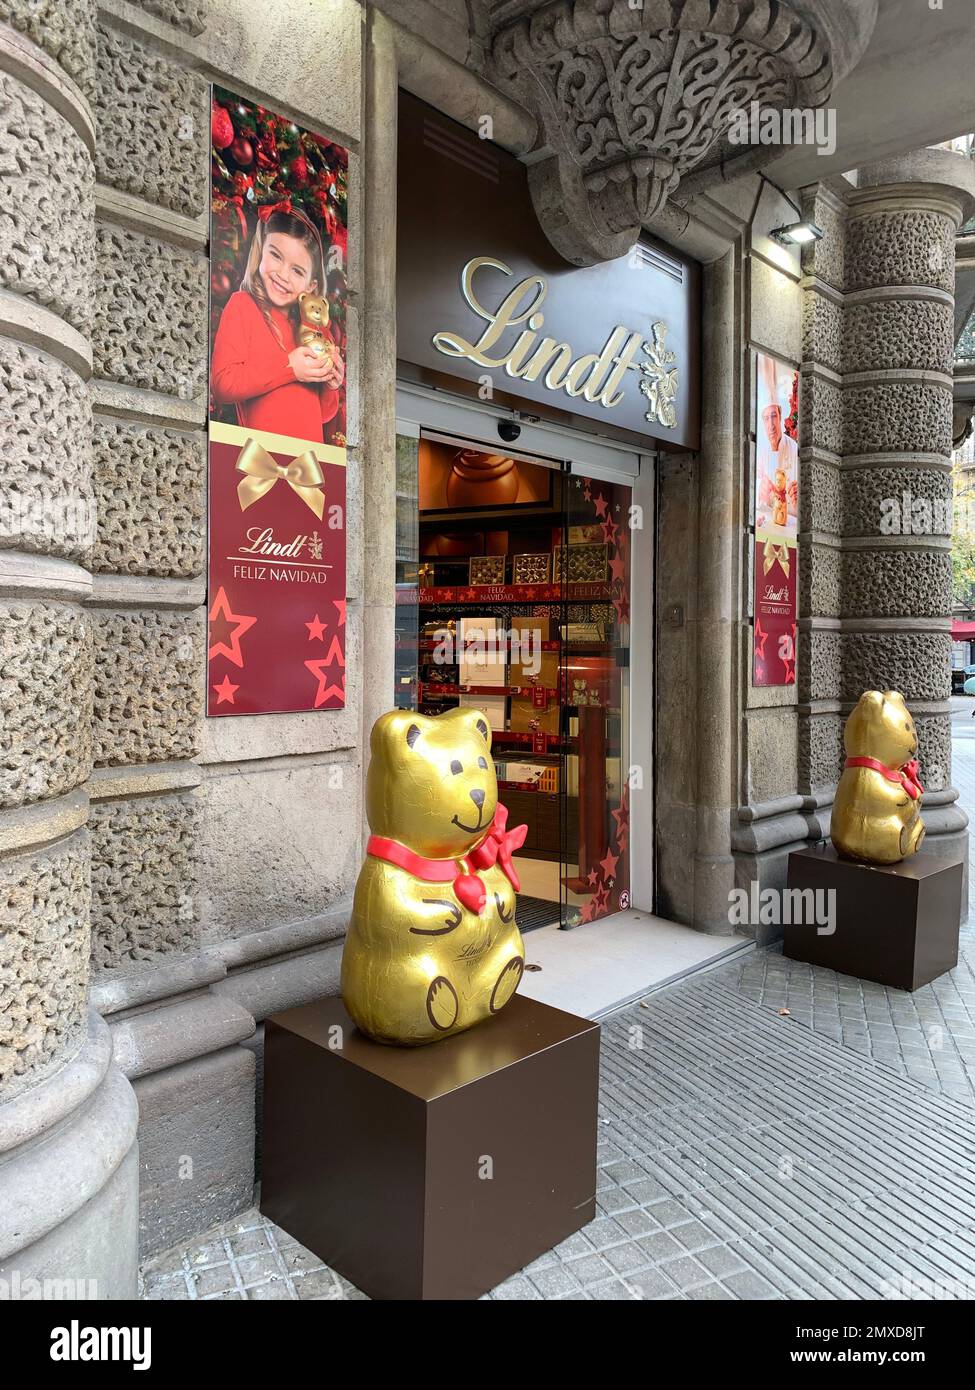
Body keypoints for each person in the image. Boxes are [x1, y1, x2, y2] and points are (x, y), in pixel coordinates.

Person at [211, 207, 345, 444]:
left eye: (297, 271)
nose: (283, 274)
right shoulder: (242, 305)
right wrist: (289, 367)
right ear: (261, 251)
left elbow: (323, 414)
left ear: (311, 287)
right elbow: (222, 384)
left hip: (308, 462)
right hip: (261, 459)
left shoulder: (314, 330)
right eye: (276, 255)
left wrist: (331, 384)